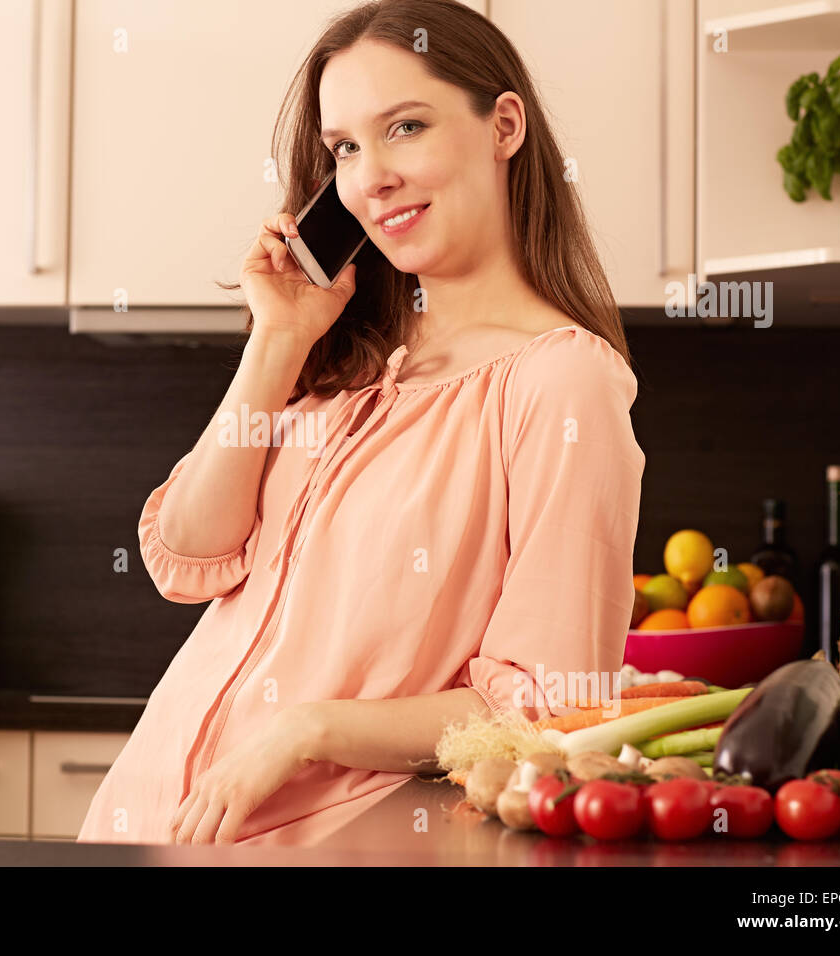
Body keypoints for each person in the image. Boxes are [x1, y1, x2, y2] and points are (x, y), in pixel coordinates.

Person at [77, 0, 644, 847]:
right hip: (142, 820)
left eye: (405, 126)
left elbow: (547, 703)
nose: (370, 177)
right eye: (344, 148)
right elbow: (188, 558)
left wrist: (310, 727)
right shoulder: (345, 364)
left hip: (320, 842)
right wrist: (276, 341)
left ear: (505, 126)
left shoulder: (560, 384)